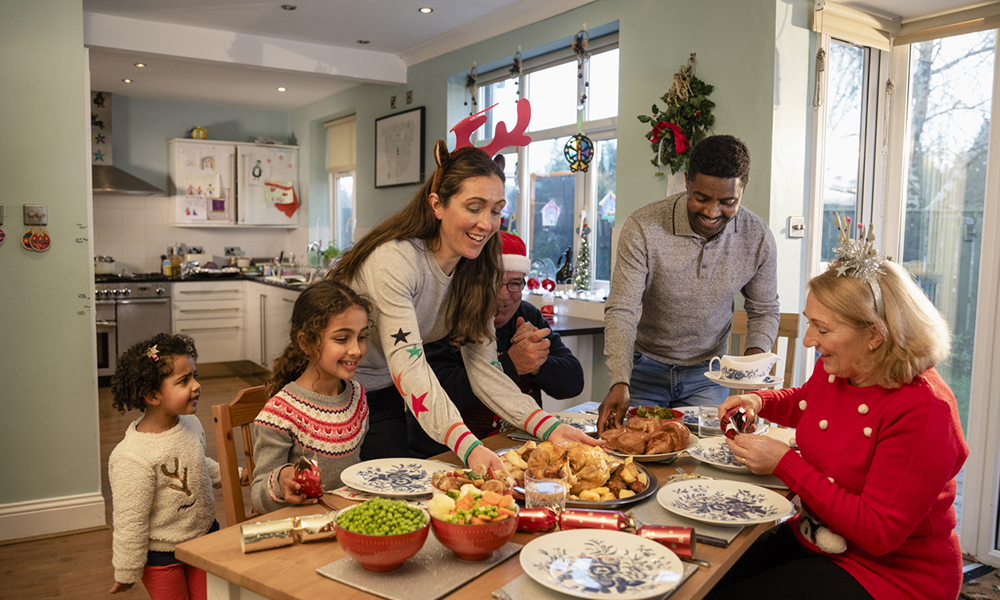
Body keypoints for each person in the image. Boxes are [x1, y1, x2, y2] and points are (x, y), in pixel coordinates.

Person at [707, 226, 968, 600]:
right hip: (821, 538)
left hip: (894, 573)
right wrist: (762, 401)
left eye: (822, 328)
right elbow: (808, 402)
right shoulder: (844, 367)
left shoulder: (926, 411)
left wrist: (785, 464)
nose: (809, 340)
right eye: (810, 322)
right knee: (713, 576)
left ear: (875, 335)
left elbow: (878, 532)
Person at [327, 139, 598, 470]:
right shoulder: (394, 261)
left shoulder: (476, 269)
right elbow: (410, 366)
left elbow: (486, 369)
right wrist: (467, 445)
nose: (486, 223)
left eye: (496, 210)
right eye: (474, 207)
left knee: (384, 493)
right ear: (437, 205)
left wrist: (550, 428)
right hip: (329, 386)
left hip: (381, 389)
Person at [598, 134, 779, 433]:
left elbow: (764, 310)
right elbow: (622, 309)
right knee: (636, 454)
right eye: (702, 198)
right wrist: (620, 378)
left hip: (708, 375)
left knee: (703, 458)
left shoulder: (757, 237)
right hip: (643, 369)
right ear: (686, 181)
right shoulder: (643, 227)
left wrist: (750, 372)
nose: (711, 212)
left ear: (743, 190)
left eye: (727, 201)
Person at [408, 231, 585, 457]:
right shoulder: (441, 317)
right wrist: (512, 364)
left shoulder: (528, 315)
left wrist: (537, 363)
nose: (503, 296)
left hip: (518, 450)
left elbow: (573, 382)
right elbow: (438, 392)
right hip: (447, 454)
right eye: (492, 281)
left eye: (514, 283)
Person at [108, 333, 220, 599]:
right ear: (152, 395)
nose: (196, 386)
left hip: (203, 538)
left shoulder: (190, 424)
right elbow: (130, 521)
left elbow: (195, 464)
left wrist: (233, 475)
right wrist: (126, 571)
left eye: (194, 375)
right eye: (184, 381)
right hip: (162, 556)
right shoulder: (131, 457)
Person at [251, 280, 370, 513]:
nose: (356, 350)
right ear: (306, 342)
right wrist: (281, 480)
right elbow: (258, 495)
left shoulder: (357, 395)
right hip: (303, 530)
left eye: (362, 337)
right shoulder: (279, 413)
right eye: (342, 338)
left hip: (349, 521)